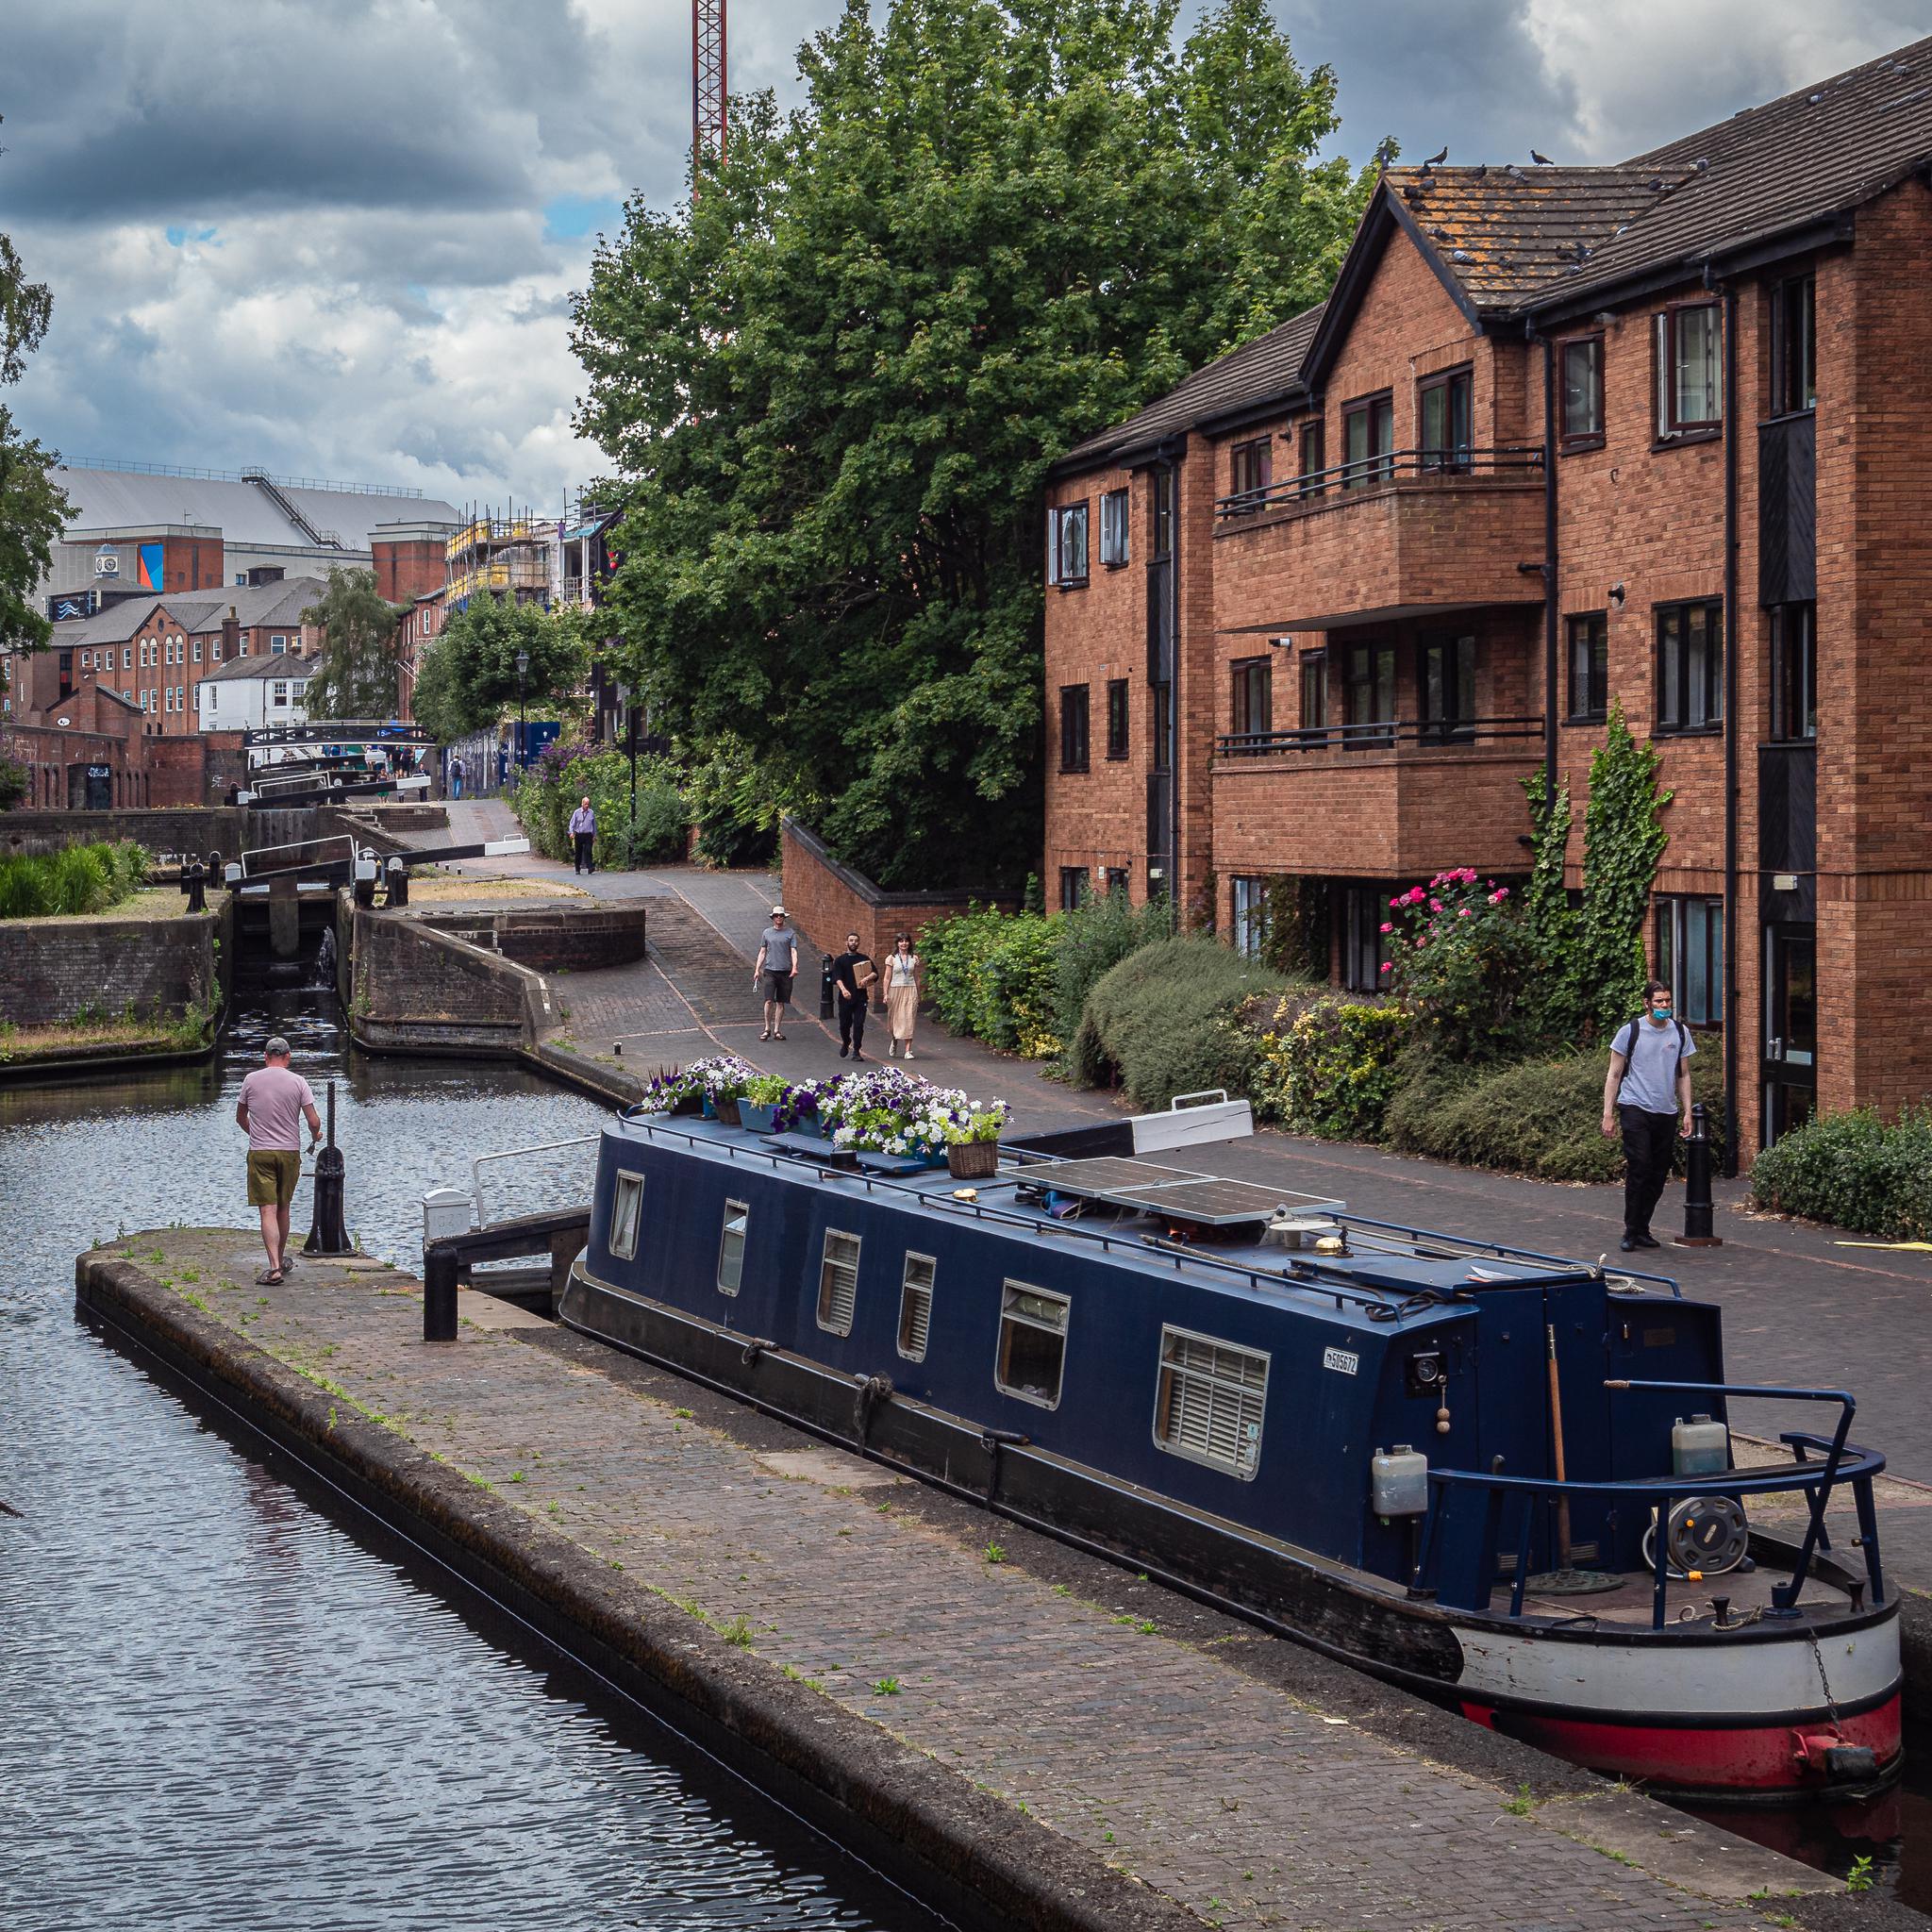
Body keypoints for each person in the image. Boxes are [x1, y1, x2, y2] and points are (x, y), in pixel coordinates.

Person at [1601, 978, 1695, 1252]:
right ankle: (1631, 1230)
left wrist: (1688, 1111)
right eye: (1659, 1002)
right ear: (1646, 1004)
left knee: (1658, 1172)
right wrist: (1608, 1113)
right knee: (1639, 1165)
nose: (1665, 1006)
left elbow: (1684, 1074)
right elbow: (1614, 1074)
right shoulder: (1630, 1032)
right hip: (1634, 1107)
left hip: (1666, 1111)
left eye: (1667, 1001)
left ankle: (1643, 1227)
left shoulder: (1679, 1032)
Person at [236, 1036, 322, 1285]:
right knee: (283, 1207)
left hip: (260, 1152)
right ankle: (281, 1259)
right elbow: (313, 1120)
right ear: (288, 1057)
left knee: (267, 1209)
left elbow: (240, 1117)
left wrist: (257, 1134)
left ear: (265, 1057)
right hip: (289, 1152)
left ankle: (274, 1267)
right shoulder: (299, 1082)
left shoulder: (250, 1080)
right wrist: (315, 1135)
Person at [832, 930, 876, 1062]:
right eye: (851, 940)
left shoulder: (864, 959)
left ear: (859, 943)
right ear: (847, 942)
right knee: (844, 1025)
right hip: (845, 998)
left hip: (861, 997)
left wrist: (866, 979)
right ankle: (846, 1042)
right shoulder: (840, 960)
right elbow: (837, 977)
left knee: (859, 1024)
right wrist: (844, 990)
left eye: (856, 941)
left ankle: (857, 1050)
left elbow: (875, 973)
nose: (853, 943)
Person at [754, 905, 796, 1041]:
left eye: (781, 916)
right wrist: (757, 969)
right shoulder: (767, 933)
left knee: (781, 1001)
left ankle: (777, 1029)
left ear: (784, 918)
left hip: (785, 971)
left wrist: (794, 967)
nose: (779, 918)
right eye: (777, 916)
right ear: (773, 918)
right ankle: (767, 1028)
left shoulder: (790, 933)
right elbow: (762, 951)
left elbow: (793, 951)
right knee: (768, 1000)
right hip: (770, 970)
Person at [883, 931, 922, 1060]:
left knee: (909, 1018)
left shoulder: (914, 958)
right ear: (897, 943)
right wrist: (885, 993)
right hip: (895, 990)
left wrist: (918, 993)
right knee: (895, 1019)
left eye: (906, 941)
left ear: (909, 943)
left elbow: (916, 977)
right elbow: (887, 978)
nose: (904, 943)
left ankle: (908, 1050)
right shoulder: (891, 958)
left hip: (910, 989)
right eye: (901, 941)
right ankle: (894, 1041)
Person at [569, 794, 597, 874]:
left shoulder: (591, 813)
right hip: (579, 834)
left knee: (588, 851)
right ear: (582, 804)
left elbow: (594, 824)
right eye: (585, 804)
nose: (587, 805)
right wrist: (571, 832)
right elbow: (572, 823)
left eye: (588, 804)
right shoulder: (577, 812)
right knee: (578, 852)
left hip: (588, 834)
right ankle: (577, 868)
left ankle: (590, 867)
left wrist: (594, 835)